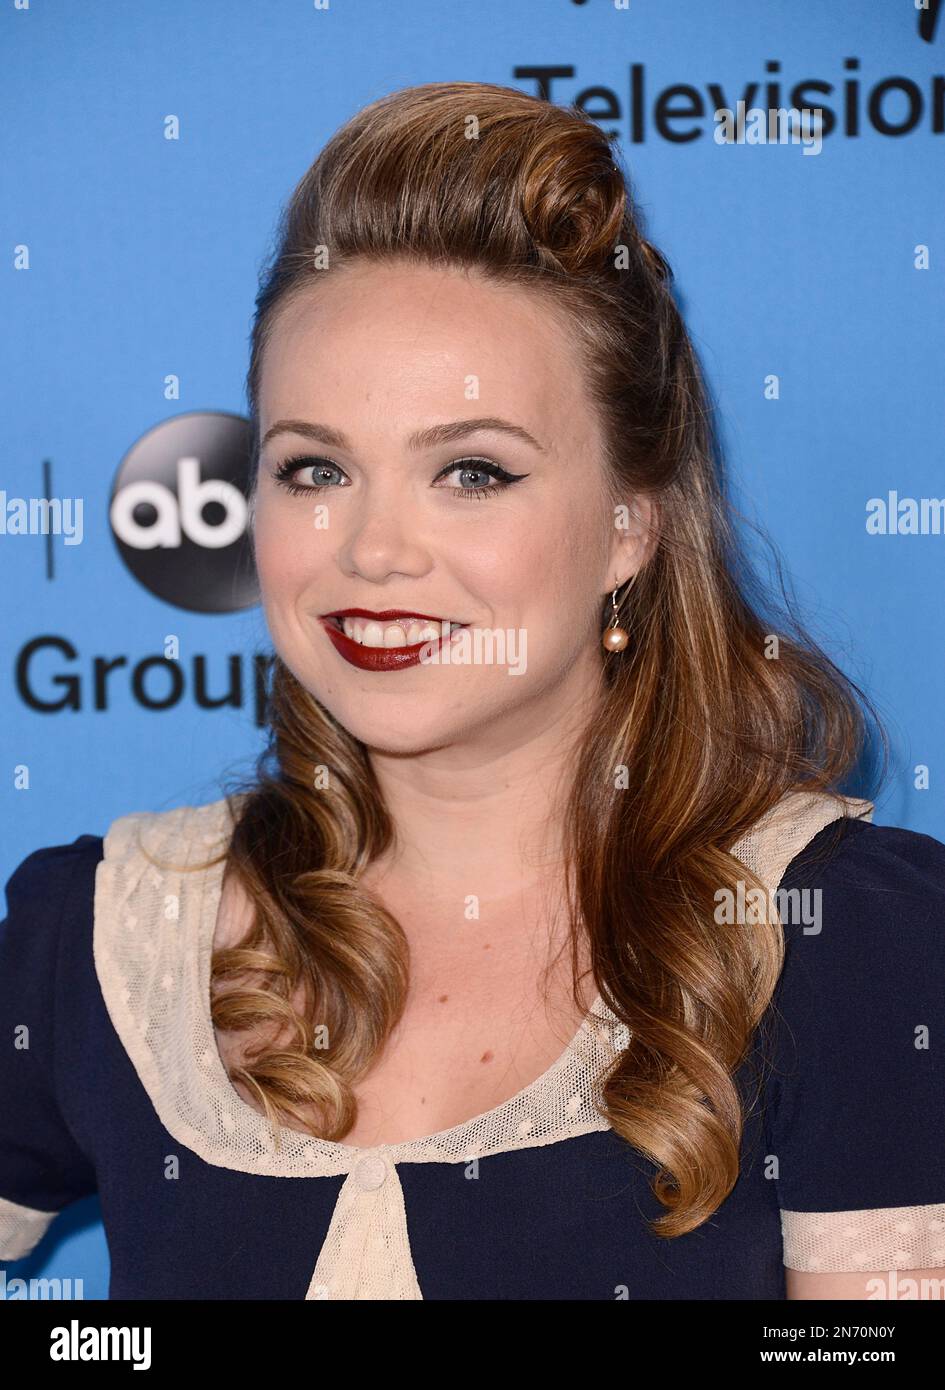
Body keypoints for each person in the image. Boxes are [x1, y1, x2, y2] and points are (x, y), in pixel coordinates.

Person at [1, 81, 944, 1302]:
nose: (374, 551)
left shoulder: (847, 943)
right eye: (316, 468)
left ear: (630, 525)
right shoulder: (107, 931)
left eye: (474, 472)